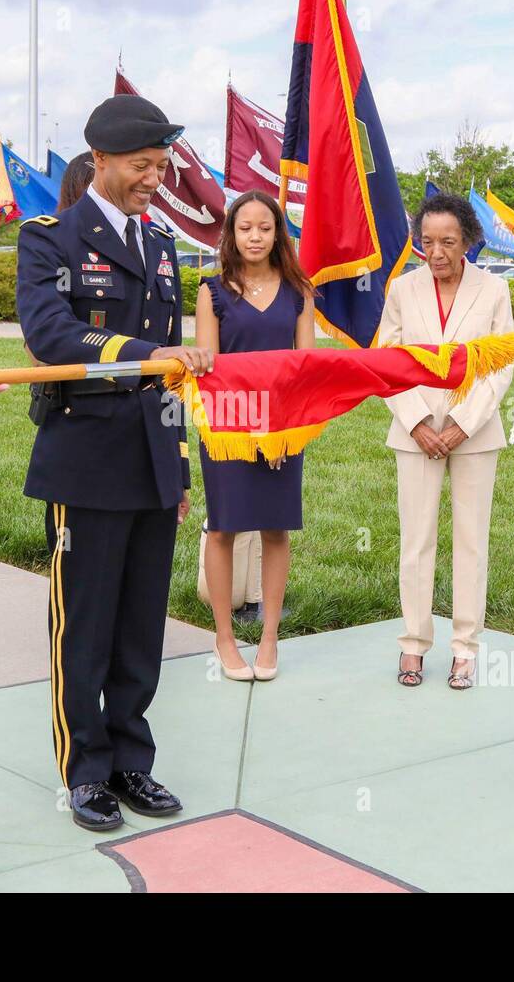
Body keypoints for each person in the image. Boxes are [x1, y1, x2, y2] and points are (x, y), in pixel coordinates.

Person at [16, 94, 213, 832]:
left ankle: (133, 761)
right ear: (99, 159)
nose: (153, 179)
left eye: (161, 167)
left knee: (140, 628)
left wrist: (181, 468)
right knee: (85, 626)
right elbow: (53, 333)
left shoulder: (161, 246)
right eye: (141, 166)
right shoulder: (50, 239)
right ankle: (85, 771)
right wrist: (143, 355)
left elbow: (171, 378)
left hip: (152, 464)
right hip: (86, 461)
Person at [378, 193, 514, 690]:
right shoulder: (402, 290)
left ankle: (465, 649)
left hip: (474, 436)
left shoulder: (495, 290)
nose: (436, 253)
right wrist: (417, 422)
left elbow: (500, 364)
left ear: (469, 242)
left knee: (471, 542)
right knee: (415, 542)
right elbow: (387, 360)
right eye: (428, 242)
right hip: (414, 434)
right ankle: (413, 644)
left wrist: (461, 423)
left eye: (448, 242)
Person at [196, 191, 315, 682]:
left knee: (275, 528)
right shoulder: (213, 291)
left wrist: (278, 430)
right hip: (227, 424)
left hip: (284, 425)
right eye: (244, 227)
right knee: (223, 527)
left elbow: (304, 368)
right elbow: (209, 369)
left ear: (278, 233)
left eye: (264, 227)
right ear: (231, 233)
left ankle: (269, 638)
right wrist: (250, 429)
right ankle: (225, 637)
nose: (254, 236)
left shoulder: (299, 292)